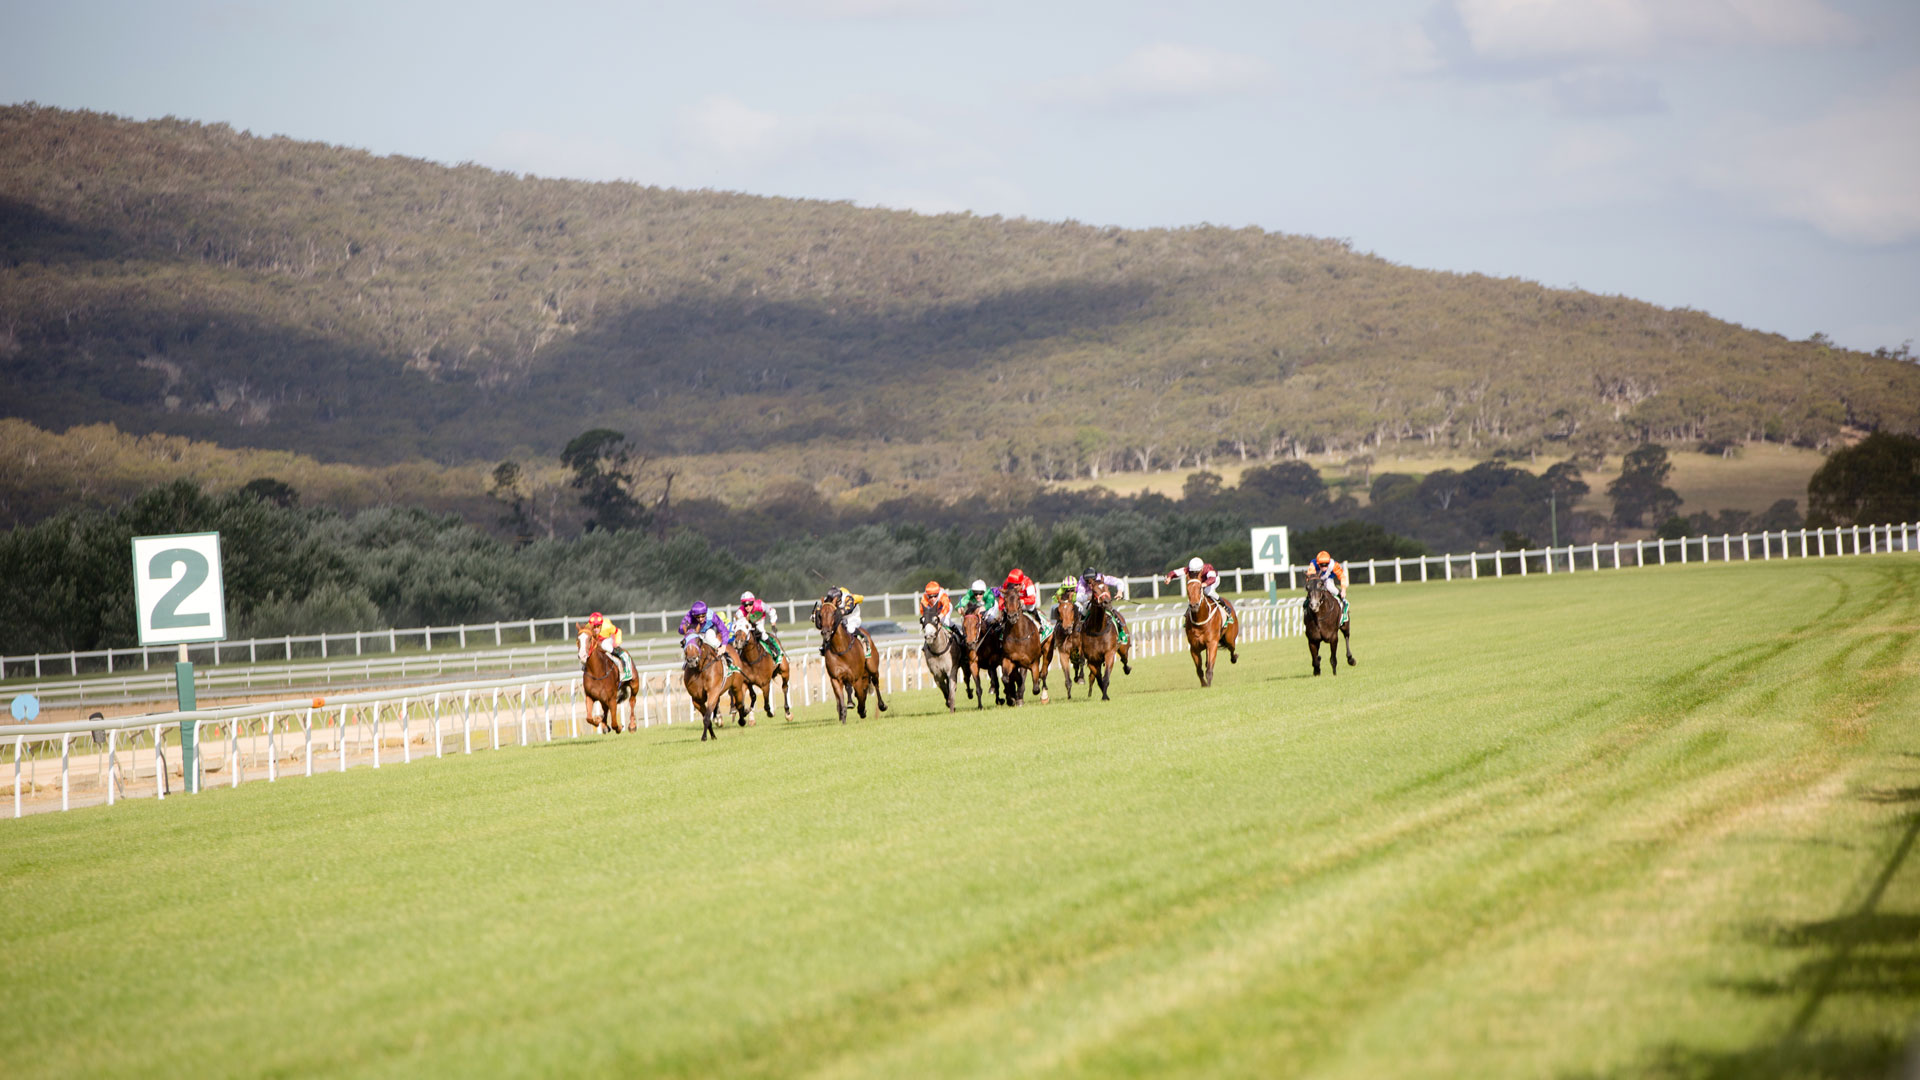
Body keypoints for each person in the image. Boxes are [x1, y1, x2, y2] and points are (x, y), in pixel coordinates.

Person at [1166, 556, 1233, 623]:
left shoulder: (1208, 568)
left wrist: (1204, 584)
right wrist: (1169, 577)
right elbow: (1175, 572)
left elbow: (1212, 579)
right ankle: (1188, 613)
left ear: (1201, 569)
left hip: (1213, 581)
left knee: (1207, 591)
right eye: (1192, 572)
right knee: (1193, 592)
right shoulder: (1188, 569)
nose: (1194, 574)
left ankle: (1225, 606)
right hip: (1200, 583)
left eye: (1196, 572)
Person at [1076, 566, 1131, 644]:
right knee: (1084, 611)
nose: (1089, 583)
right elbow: (1078, 597)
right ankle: (1079, 631)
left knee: (1111, 611)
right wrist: (1089, 596)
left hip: (1103, 601)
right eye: (1087, 581)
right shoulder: (1082, 580)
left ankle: (1121, 632)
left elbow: (1119, 582)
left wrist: (1119, 592)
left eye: (1091, 580)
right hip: (1091, 601)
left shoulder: (1102, 577)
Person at [679, 601, 741, 669]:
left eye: (703, 616)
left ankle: (726, 656)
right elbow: (680, 630)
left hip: (710, 630)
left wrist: (723, 646)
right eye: (697, 617)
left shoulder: (711, 615)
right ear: (693, 615)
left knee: (709, 636)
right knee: (690, 637)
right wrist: (686, 628)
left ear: (706, 613)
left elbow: (724, 630)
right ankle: (689, 659)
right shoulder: (689, 615)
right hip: (696, 633)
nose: (700, 619)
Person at [822, 586, 875, 656]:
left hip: (852, 617)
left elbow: (849, 609)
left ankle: (864, 639)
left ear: (839, 598)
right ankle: (824, 646)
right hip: (839, 618)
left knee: (850, 629)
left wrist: (841, 611)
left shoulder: (848, 598)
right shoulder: (829, 599)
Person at [583, 611, 633, 680]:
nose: (596, 629)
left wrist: (618, 642)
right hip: (596, 641)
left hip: (606, 639)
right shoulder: (588, 627)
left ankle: (618, 658)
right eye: (594, 627)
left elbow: (618, 631)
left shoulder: (607, 626)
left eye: (598, 626)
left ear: (601, 625)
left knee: (605, 645)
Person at [736, 590, 783, 660]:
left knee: (762, 634)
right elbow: (736, 623)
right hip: (747, 625)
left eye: (750, 604)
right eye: (745, 605)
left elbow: (772, 611)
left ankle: (774, 649)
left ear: (753, 602)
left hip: (759, 622)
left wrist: (773, 624)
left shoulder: (760, 605)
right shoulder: (740, 612)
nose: (748, 607)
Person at [1306, 549, 1349, 623]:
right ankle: (1306, 607)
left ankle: (1343, 602)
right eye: (1322, 565)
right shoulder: (1313, 564)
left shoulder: (1334, 565)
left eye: (1326, 564)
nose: (1324, 567)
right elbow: (1309, 577)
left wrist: (1343, 590)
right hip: (1316, 580)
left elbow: (1342, 576)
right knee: (1312, 591)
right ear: (1318, 563)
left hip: (1327, 579)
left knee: (1330, 587)